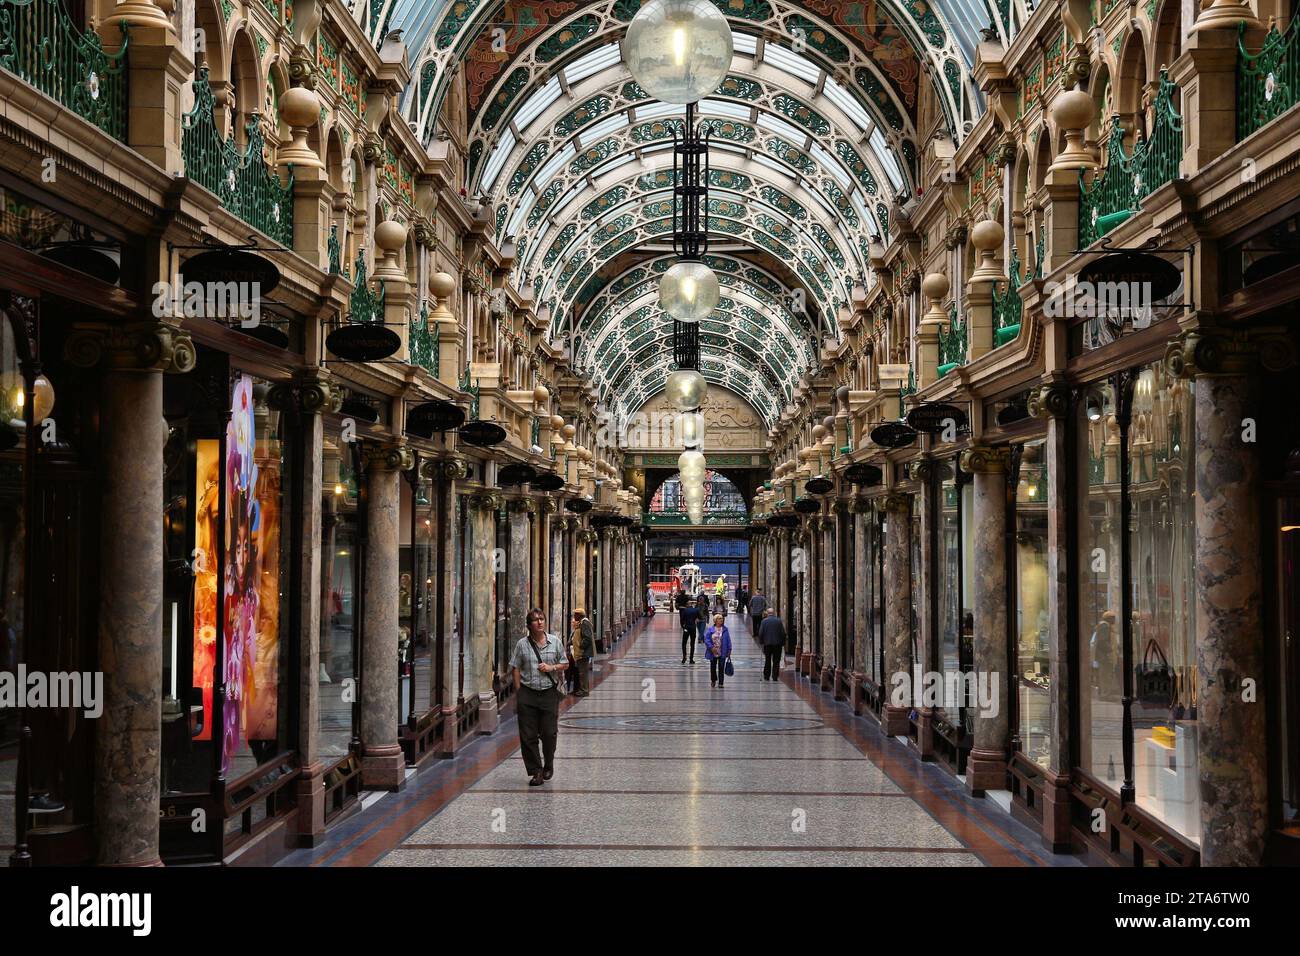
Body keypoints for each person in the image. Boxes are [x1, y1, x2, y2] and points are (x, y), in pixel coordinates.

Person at [510, 607, 568, 786]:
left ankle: (548, 763)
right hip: (528, 693)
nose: (540, 622)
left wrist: (552, 668)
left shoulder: (555, 642)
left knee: (549, 733)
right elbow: (515, 667)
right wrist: (519, 691)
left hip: (549, 693)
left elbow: (565, 663)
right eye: (536, 620)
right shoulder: (522, 644)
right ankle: (536, 771)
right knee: (528, 735)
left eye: (542, 618)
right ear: (529, 625)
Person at [569, 608, 595, 697]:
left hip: (584, 653)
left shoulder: (585, 623)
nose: (574, 617)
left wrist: (580, 646)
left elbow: (587, 638)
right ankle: (582, 689)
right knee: (581, 672)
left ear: (579, 615)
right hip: (581, 652)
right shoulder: (581, 623)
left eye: (575, 615)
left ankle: (584, 690)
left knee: (583, 672)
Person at [703, 613, 732, 689]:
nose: (721, 620)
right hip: (713, 651)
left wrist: (729, 649)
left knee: (721, 667)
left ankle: (721, 683)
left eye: (722, 618)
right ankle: (713, 680)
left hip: (722, 651)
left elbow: (728, 640)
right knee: (713, 667)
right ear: (715, 621)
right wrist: (711, 647)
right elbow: (706, 639)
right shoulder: (710, 630)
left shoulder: (725, 629)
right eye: (719, 619)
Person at [758, 607, 786, 681]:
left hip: (767, 644)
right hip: (777, 644)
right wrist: (783, 642)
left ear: (767, 613)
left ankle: (766, 675)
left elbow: (761, 633)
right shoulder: (778, 621)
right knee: (776, 661)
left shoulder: (764, 621)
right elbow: (783, 633)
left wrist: (761, 641)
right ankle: (775, 676)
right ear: (774, 613)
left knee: (767, 660)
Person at [679, 596, 699, 665]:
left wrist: (683, 626)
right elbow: (699, 617)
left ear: (687, 605)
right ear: (691, 605)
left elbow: (682, 620)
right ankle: (691, 659)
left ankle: (684, 657)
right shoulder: (696, 610)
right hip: (693, 628)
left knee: (684, 643)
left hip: (686, 628)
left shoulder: (684, 610)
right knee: (692, 644)